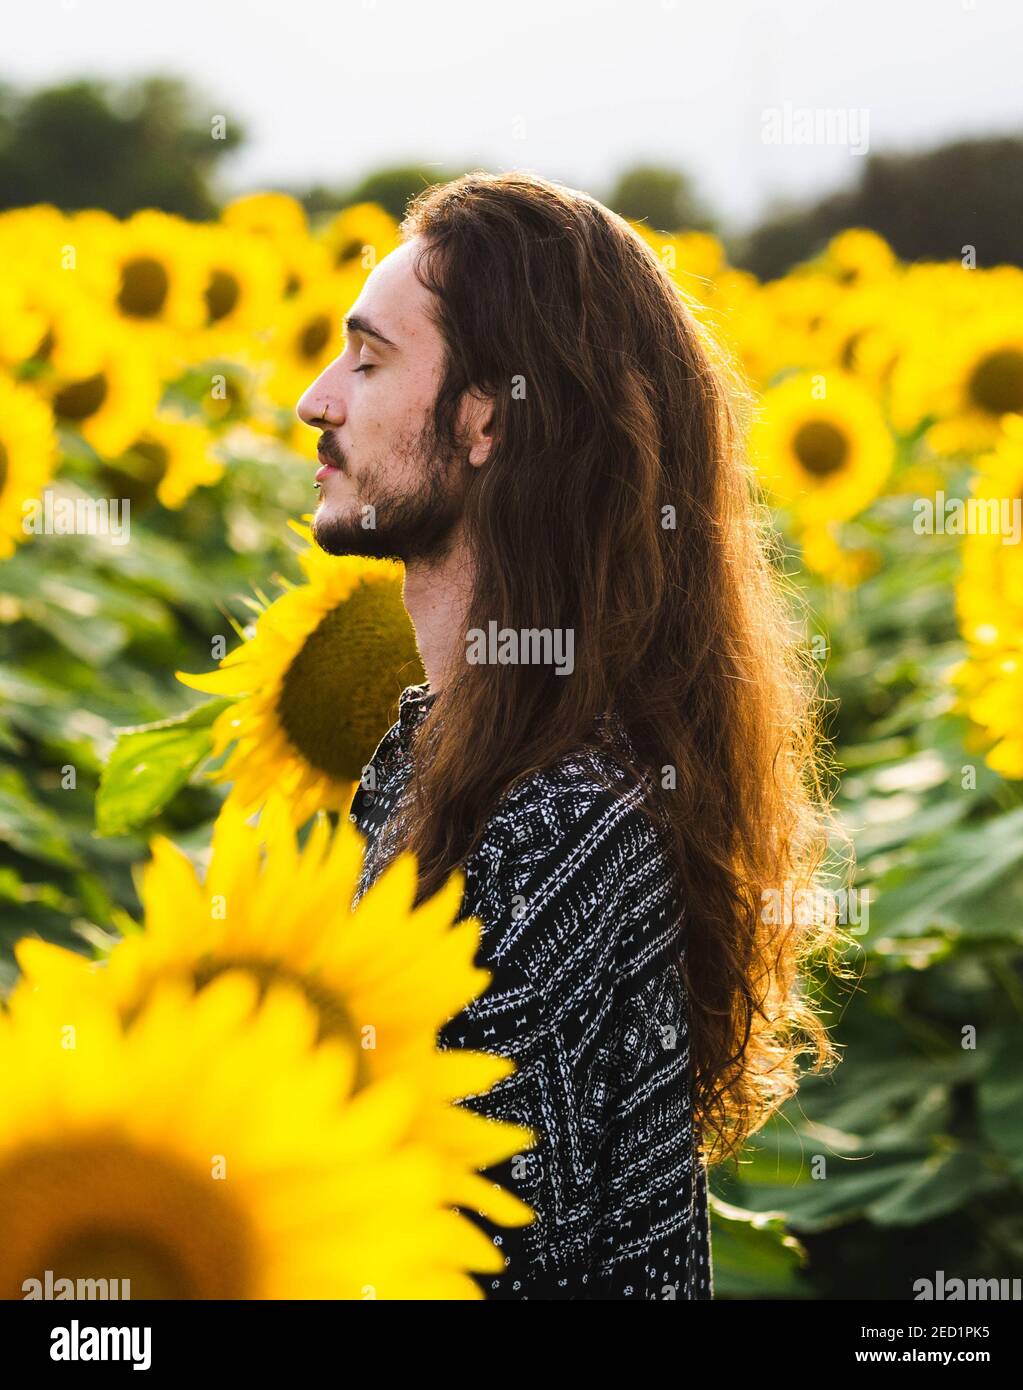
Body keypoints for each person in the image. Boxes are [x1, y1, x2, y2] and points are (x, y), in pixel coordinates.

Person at [296, 171, 839, 1300]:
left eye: (367, 358)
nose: (315, 400)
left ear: (486, 417)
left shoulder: (551, 826)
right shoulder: (448, 759)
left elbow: (471, 1265)